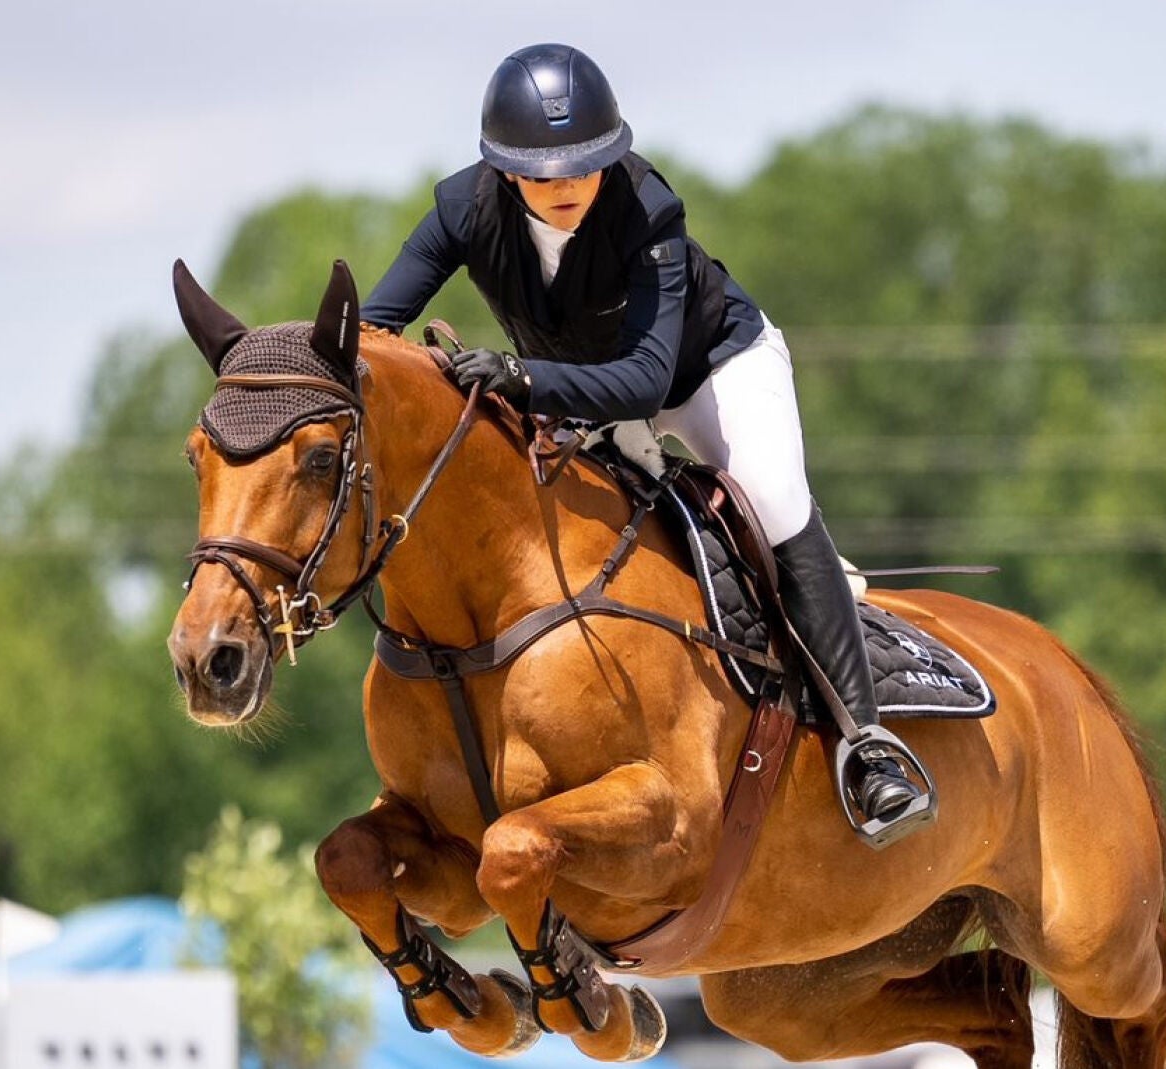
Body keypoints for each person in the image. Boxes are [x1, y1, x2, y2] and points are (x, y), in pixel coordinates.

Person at [361, 43, 932, 845]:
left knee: (771, 501)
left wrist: (522, 379)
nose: (566, 186)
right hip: (575, 388)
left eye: (584, 165)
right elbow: (375, 328)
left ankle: (870, 749)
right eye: (544, 170)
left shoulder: (649, 210)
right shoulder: (463, 208)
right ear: (501, 170)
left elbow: (643, 380)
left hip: (705, 371)